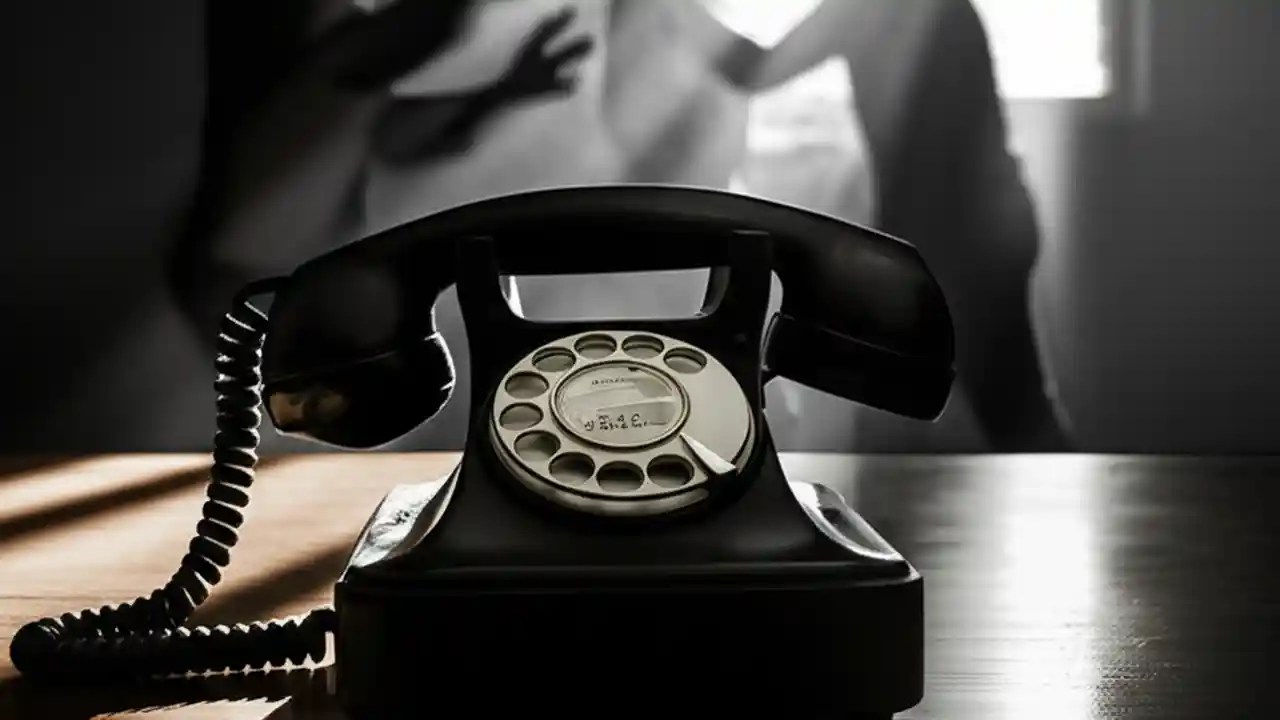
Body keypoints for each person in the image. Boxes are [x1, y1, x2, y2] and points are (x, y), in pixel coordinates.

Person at [680, 0, 1072, 451]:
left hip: (956, 239)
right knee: (1012, 409)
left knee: (998, 413)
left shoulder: (866, 9)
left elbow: (752, 69)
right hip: (988, 221)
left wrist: (667, 11)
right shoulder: (937, 8)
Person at [168, 0, 596, 344]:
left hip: (279, 289)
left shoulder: (335, 69)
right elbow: (399, 50)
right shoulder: (321, 60)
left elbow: (394, 137)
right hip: (250, 294)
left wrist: (502, 93)